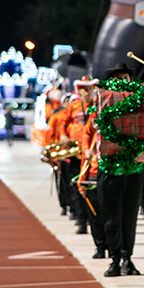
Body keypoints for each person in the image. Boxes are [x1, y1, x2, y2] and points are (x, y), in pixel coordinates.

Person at [81, 60, 144, 277]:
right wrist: (86, 149)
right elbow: (88, 132)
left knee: (129, 218)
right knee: (112, 218)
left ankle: (127, 259)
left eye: (125, 78)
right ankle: (114, 260)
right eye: (117, 79)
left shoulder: (140, 103)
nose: (122, 82)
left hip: (134, 168)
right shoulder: (101, 104)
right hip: (109, 169)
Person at [57, 76, 99, 235]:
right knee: (76, 187)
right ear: (79, 90)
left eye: (89, 89)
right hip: (75, 154)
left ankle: (92, 219)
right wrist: (63, 135)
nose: (87, 92)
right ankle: (81, 221)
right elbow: (63, 123)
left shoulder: (98, 106)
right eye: (84, 88)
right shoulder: (74, 106)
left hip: (92, 155)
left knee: (93, 189)